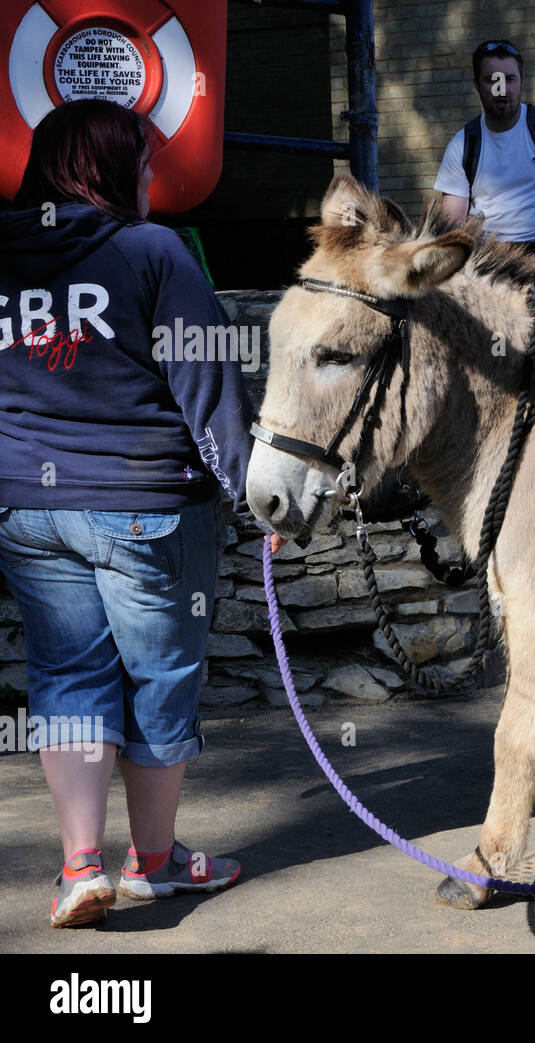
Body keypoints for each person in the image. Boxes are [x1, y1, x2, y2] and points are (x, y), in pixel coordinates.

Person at [0, 99, 254, 926]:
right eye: (142, 165)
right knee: (159, 679)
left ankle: (79, 866)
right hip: (145, 505)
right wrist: (251, 487)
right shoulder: (153, 251)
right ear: (106, 167)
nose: (151, 181)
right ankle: (151, 861)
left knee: (68, 678)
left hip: (30, 510)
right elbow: (207, 384)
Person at [432, 40, 535, 286]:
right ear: (477, 84)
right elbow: (452, 224)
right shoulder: (462, 145)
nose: (501, 89)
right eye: (492, 80)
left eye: (509, 79)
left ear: (522, 80)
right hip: (495, 261)